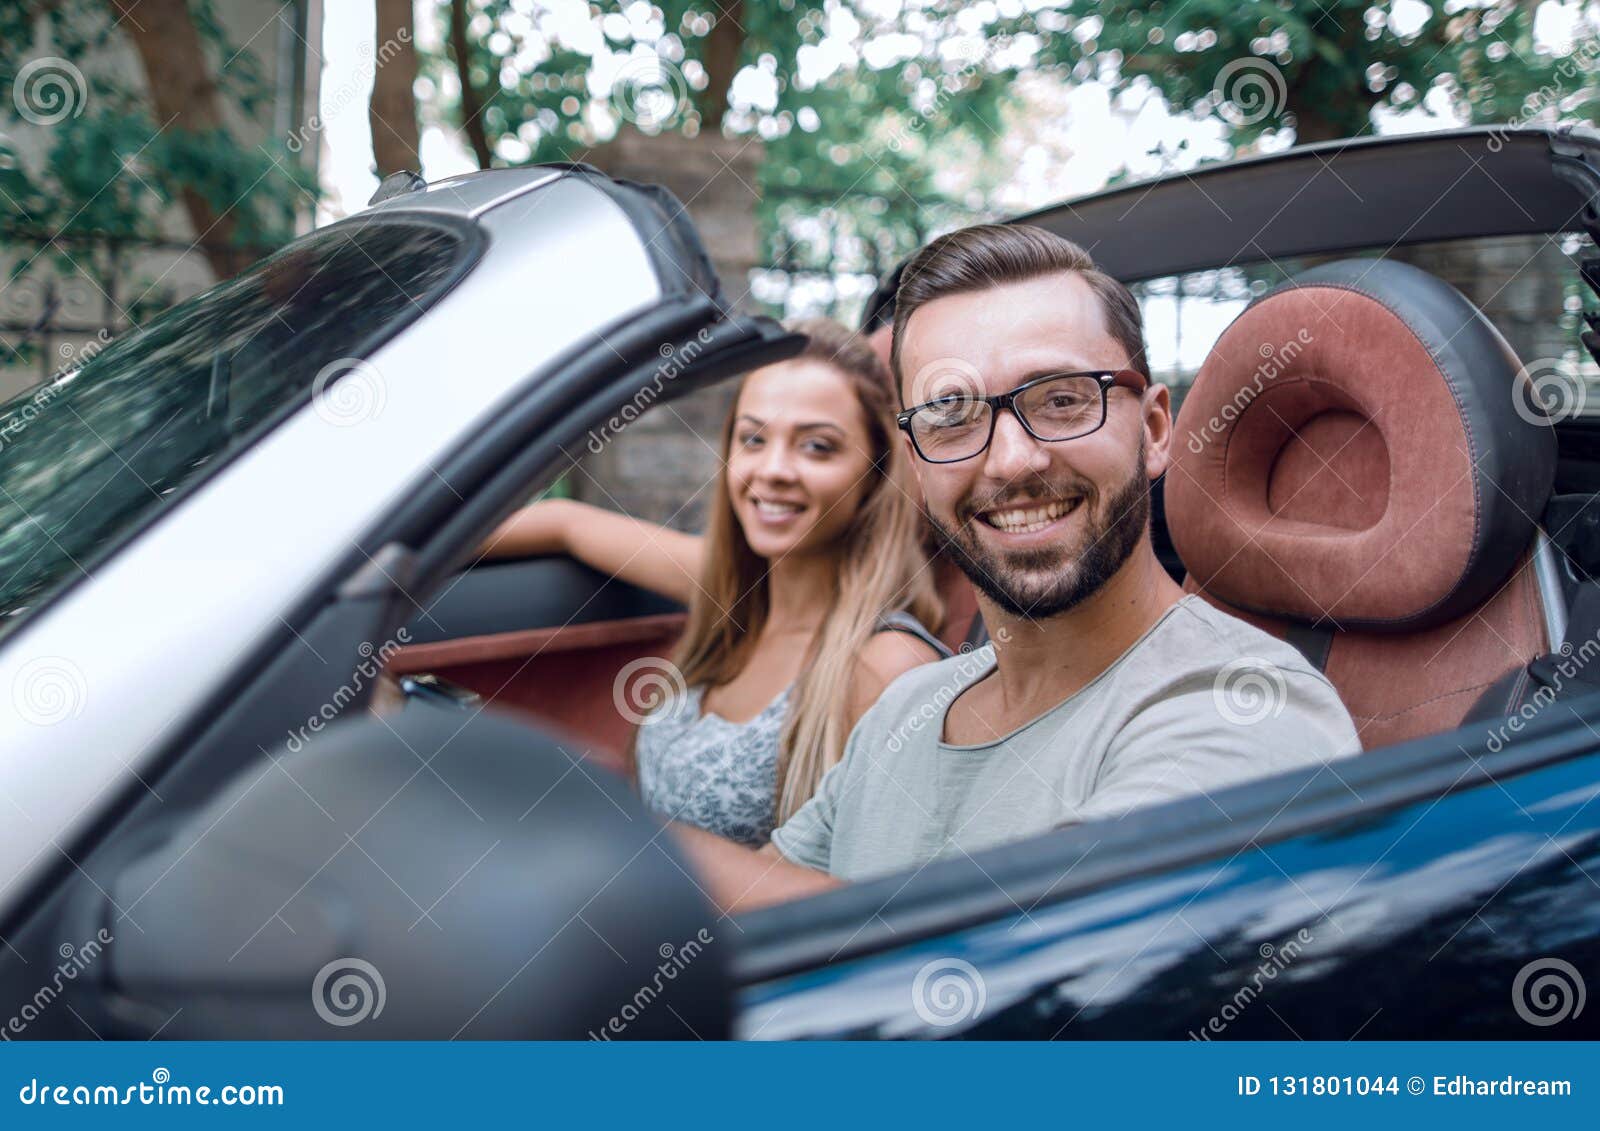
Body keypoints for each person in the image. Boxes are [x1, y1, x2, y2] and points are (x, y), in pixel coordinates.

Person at [677, 223, 1361, 912]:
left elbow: (1012, 979)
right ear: (915, 462)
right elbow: (746, 918)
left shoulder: (1243, 710)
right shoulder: (907, 709)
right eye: (951, 415)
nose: (1011, 461)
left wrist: (612, 835)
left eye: (1062, 399)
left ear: (1154, 430)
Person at [481, 318, 948, 845]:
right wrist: (381, 551)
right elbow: (566, 524)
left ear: (875, 473)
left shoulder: (887, 665)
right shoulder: (729, 589)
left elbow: (877, 894)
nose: (772, 469)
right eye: (754, 438)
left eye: (816, 447)